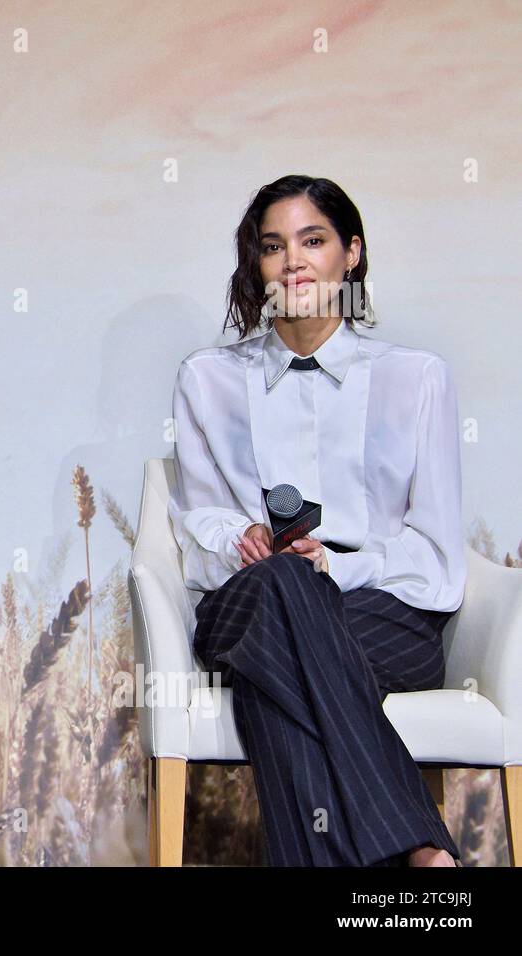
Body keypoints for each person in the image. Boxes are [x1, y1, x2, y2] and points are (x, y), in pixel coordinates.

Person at [168, 174, 464, 867]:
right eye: (273, 246)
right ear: (257, 263)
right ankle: (421, 847)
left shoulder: (417, 379)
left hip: (380, 614)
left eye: (313, 241)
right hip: (248, 600)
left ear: (351, 253)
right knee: (282, 586)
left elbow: (438, 559)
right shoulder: (207, 379)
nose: (293, 262)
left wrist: (337, 565)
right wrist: (236, 540)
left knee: (272, 666)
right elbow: (196, 521)